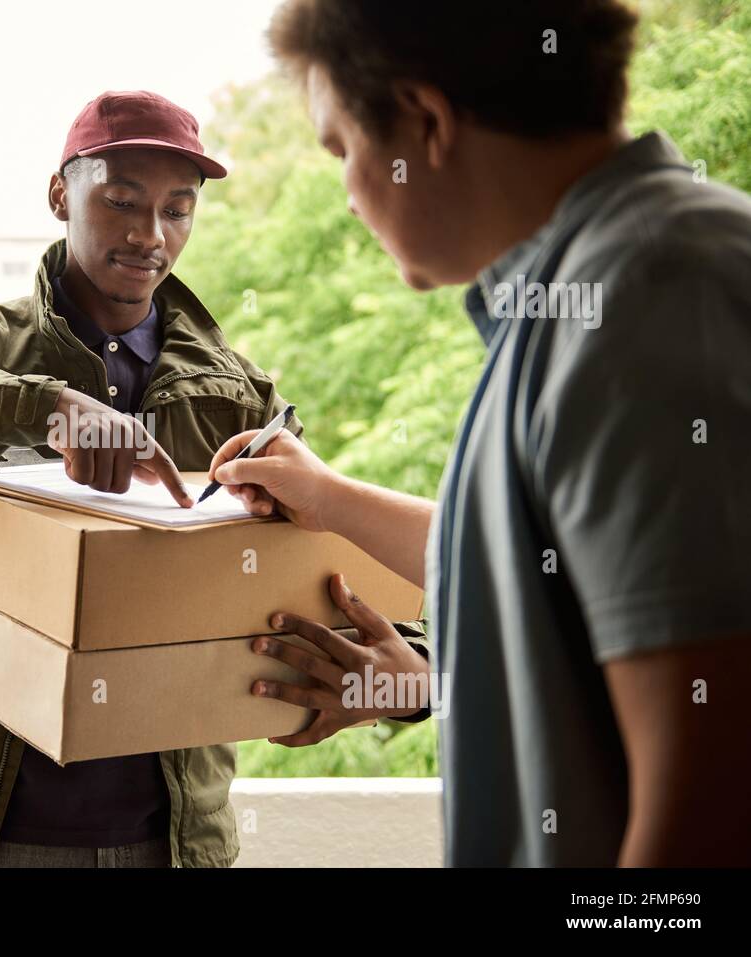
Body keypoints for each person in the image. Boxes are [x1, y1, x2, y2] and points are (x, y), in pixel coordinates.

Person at [209, 0, 751, 866]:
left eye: (343, 149)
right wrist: (330, 501)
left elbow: (712, 796)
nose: (348, 195)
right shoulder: (581, 295)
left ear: (424, 123)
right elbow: (548, 564)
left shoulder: (651, 294)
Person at [0, 90, 413, 867]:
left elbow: (335, 566)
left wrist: (404, 676)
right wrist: (36, 407)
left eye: (178, 211)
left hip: (175, 844)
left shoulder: (241, 397)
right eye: (121, 202)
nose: (151, 234)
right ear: (60, 195)